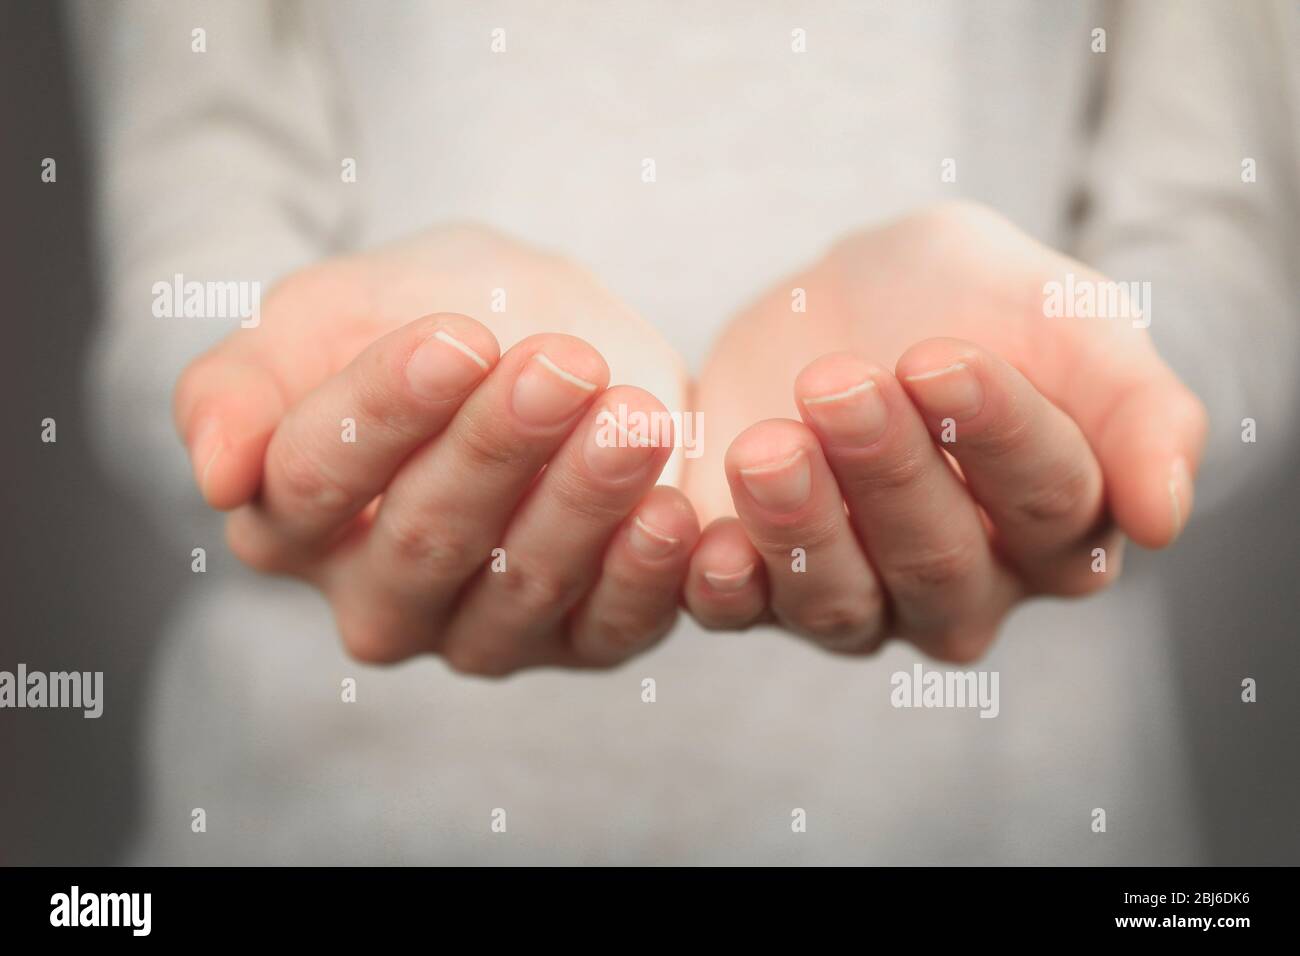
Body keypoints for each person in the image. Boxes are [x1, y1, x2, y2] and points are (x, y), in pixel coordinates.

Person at [70, 0, 1299, 863]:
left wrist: (1097, 387)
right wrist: (284, 410)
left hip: (1003, 822)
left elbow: (1218, 252)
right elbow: (194, 274)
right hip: (327, 822)